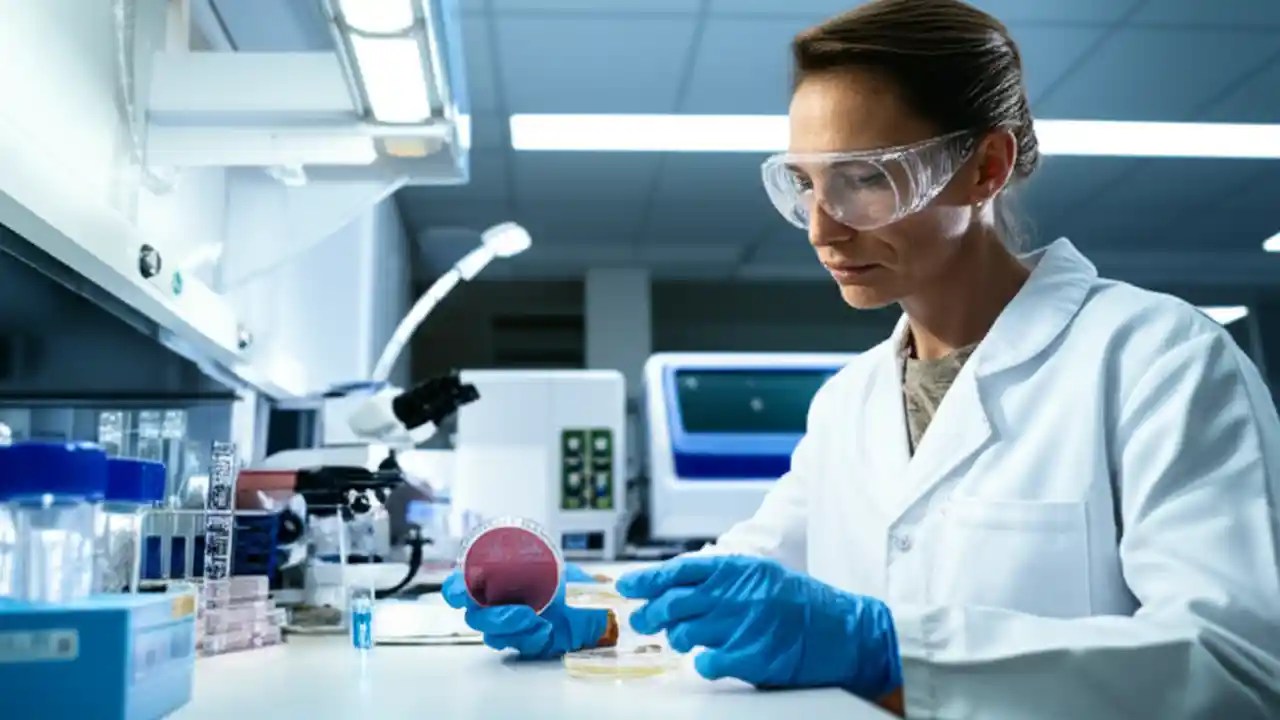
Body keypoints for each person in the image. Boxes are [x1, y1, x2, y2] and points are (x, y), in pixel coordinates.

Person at [443, 0, 1280, 716]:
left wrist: (889, 648)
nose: (821, 227)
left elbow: (1238, 666)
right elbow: (747, 578)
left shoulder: (1157, 361)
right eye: (804, 183)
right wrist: (594, 609)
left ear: (984, 167)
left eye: (864, 179)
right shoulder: (849, 402)